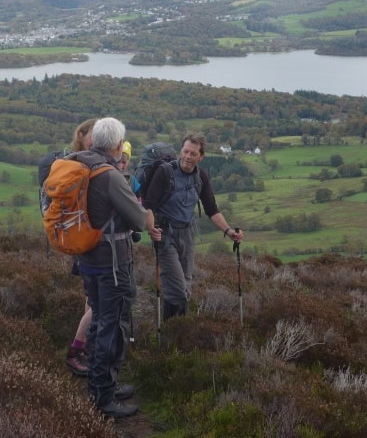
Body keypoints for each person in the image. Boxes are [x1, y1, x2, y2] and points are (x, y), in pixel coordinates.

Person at [74, 118, 161, 419]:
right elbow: (138, 220)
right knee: (112, 326)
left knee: (100, 320)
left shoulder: (81, 163)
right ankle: (103, 397)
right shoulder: (110, 175)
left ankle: (103, 385)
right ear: (116, 144)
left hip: (88, 259)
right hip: (112, 264)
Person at [142, 133, 243, 320]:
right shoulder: (165, 173)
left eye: (193, 154)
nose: (188, 157)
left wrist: (228, 231)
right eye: (185, 151)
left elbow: (212, 210)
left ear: (201, 157)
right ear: (181, 151)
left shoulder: (201, 177)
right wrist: (152, 229)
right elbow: (148, 205)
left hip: (188, 235)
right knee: (178, 289)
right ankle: (175, 330)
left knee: (185, 287)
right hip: (165, 235)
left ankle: (178, 330)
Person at [39, 119, 97, 378]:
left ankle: (85, 347)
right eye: (93, 136)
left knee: (91, 299)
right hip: (83, 240)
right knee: (95, 301)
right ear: (81, 135)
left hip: (83, 238)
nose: (96, 141)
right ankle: (77, 351)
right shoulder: (77, 166)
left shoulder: (76, 163)